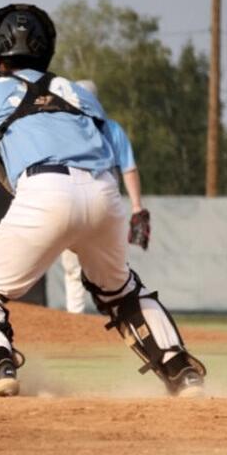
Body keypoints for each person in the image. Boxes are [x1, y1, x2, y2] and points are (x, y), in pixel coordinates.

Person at [0, 3, 205, 398]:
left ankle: (0, 367)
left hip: (45, 191)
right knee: (122, 293)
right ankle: (181, 370)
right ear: (46, 48)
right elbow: (101, 145)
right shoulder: (78, 92)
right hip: (104, 192)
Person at [60, 80, 148, 314]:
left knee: (75, 268)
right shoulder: (112, 129)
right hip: (105, 204)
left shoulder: (62, 131)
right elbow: (128, 168)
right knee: (112, 266)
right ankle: (123, 316)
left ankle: (77, 319)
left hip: (73, 204)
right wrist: (137, 207)